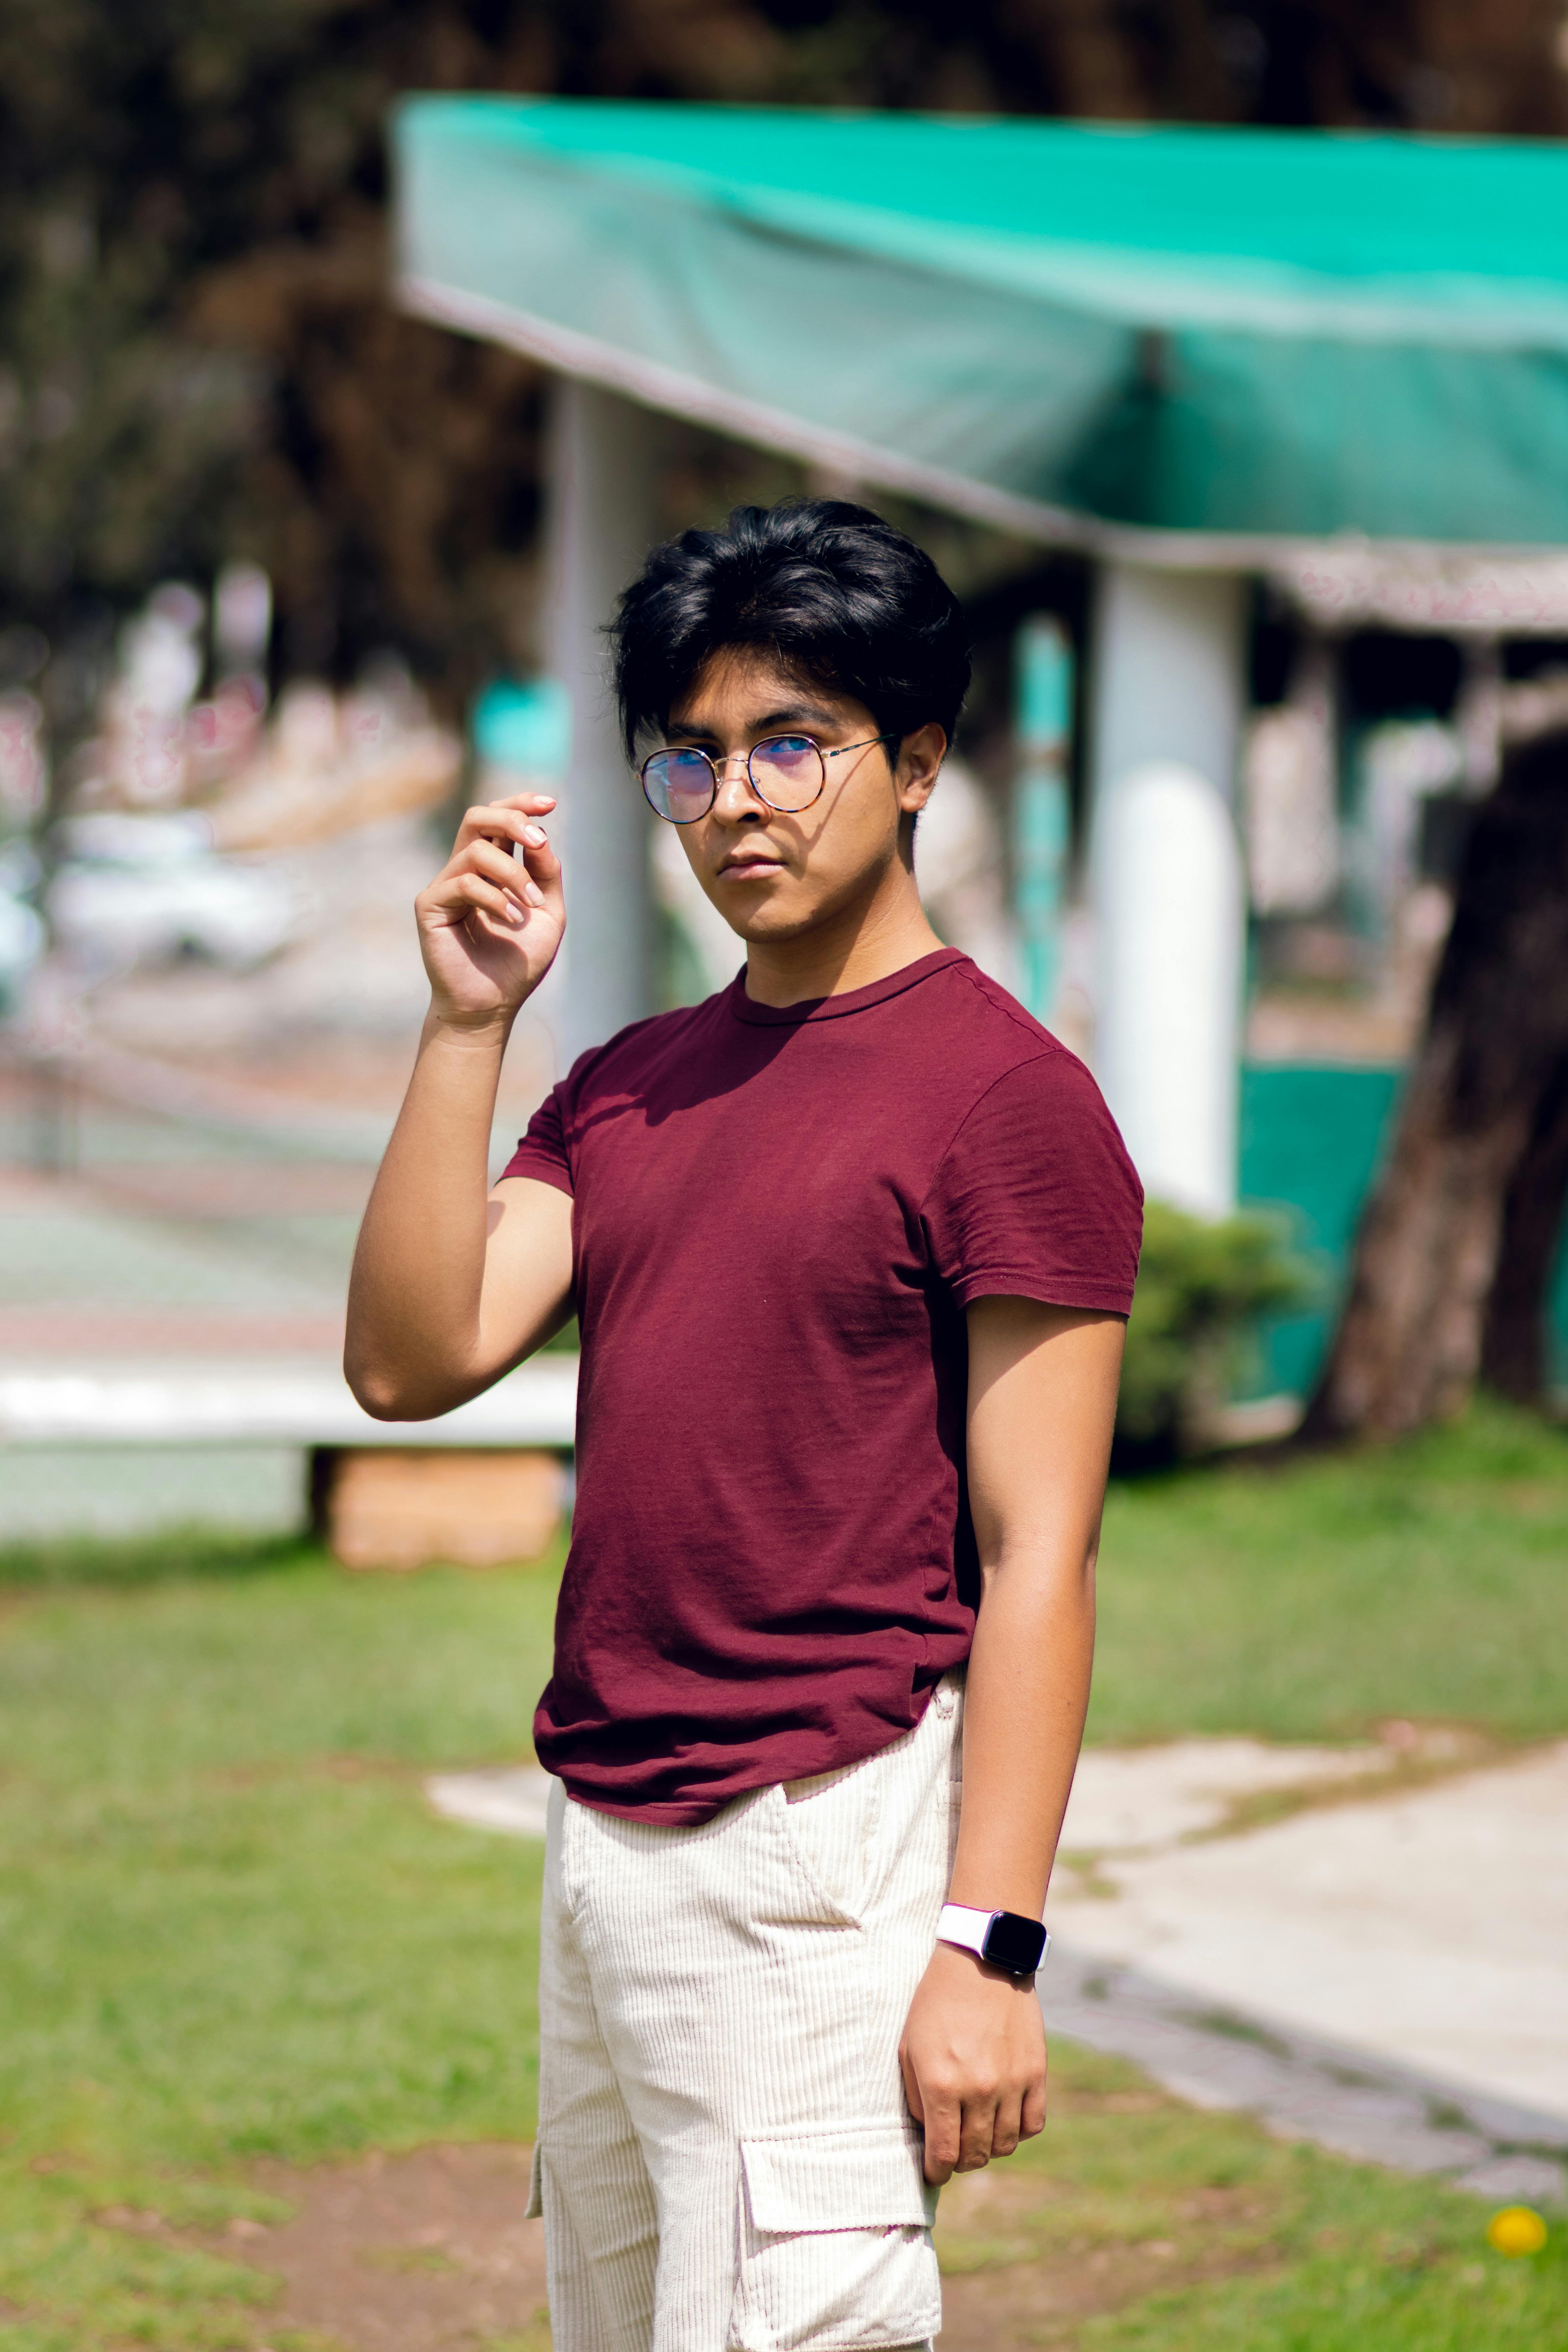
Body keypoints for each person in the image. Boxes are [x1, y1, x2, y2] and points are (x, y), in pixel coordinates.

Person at [345, 498, 1142, 2352]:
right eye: (692, 759)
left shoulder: (1007, 1101)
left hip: (820, 1848)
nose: (739, 803)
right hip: (604, 1847)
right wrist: (466, 1028)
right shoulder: (627, 1087)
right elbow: (408, 1360)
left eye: (795, 743)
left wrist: (988, 1946)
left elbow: (1040, 1557)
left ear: (918, 762)